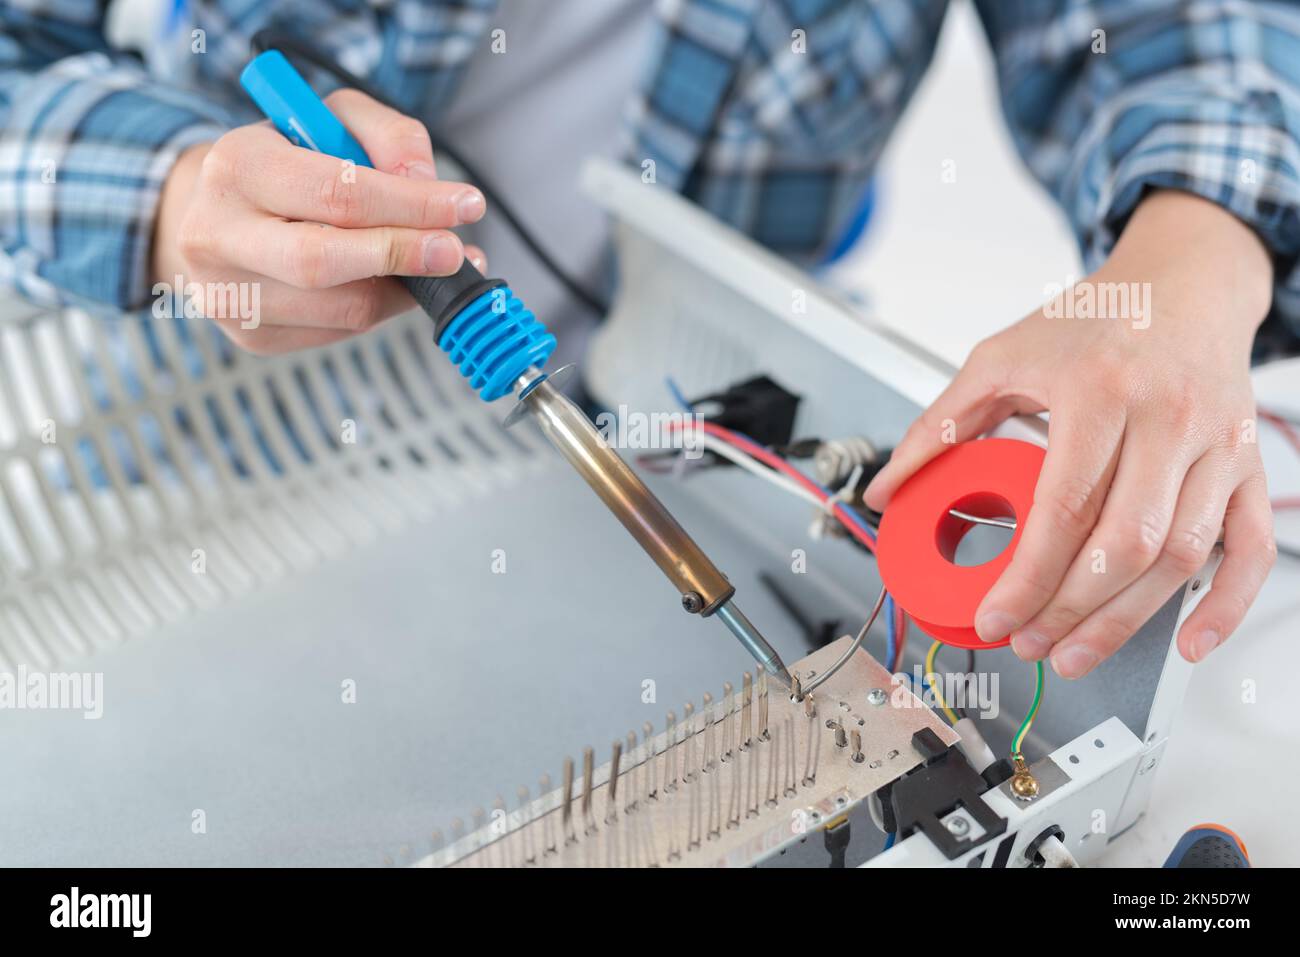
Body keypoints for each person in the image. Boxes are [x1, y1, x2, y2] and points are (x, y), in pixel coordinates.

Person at [2, 1, 1296, 680]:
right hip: (200, 477)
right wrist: (176, 200)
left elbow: (1188, 36)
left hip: (669, 454)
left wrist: (1189, 261)